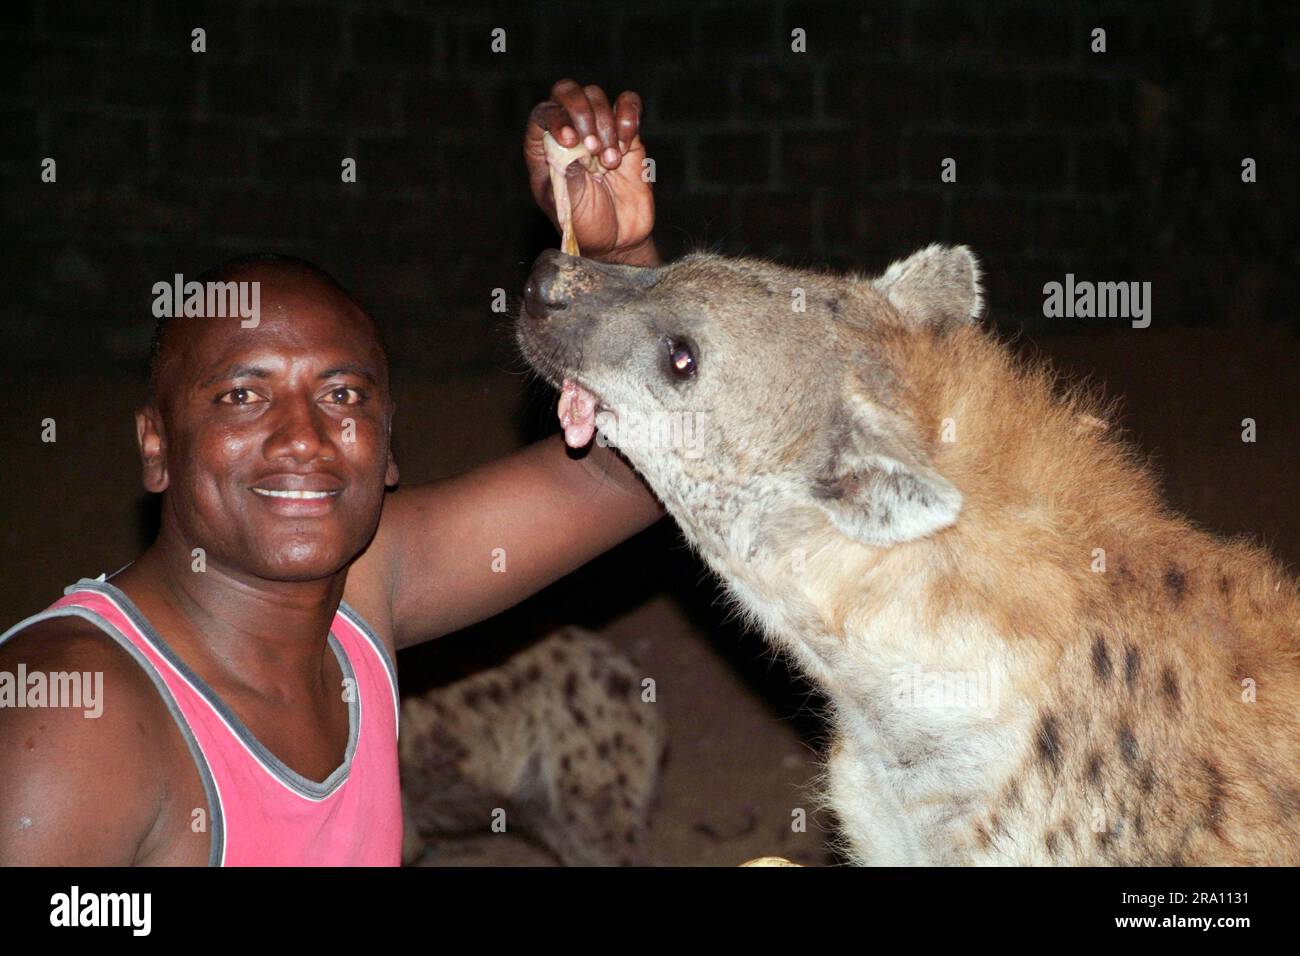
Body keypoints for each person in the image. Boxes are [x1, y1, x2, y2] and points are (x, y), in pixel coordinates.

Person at [0, 79, 665, 866]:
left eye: (341, 394)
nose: (302, 438)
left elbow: (632, 472)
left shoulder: (362, 595)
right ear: (156, 447)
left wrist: (618, 266)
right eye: (243, 395)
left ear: (387, 450)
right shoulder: (81, 723)